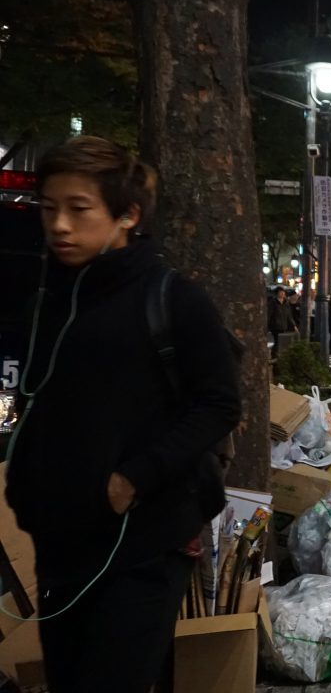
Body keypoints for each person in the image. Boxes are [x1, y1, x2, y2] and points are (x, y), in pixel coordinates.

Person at [6, 136, 240, 692]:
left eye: (78, 209)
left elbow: (220, 403)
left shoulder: (173, 298)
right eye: (48, 208)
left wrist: (134, 478)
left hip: (144, 545)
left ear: (128, 214)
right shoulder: (46, 298)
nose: (59, 225)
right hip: (60, 541)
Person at [266, 285, 297, 356]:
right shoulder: (273, 302)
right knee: (277, 341)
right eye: (280, 292)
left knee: (281, 342)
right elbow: (269, 314)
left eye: (283, 292)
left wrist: (294, 325)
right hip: (275, 326)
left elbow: (289, 315)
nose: (282, 294)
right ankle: (274, 355)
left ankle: (277, 355)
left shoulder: (286, 303)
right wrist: (267, 325)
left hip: (284, 325)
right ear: (277, 293)